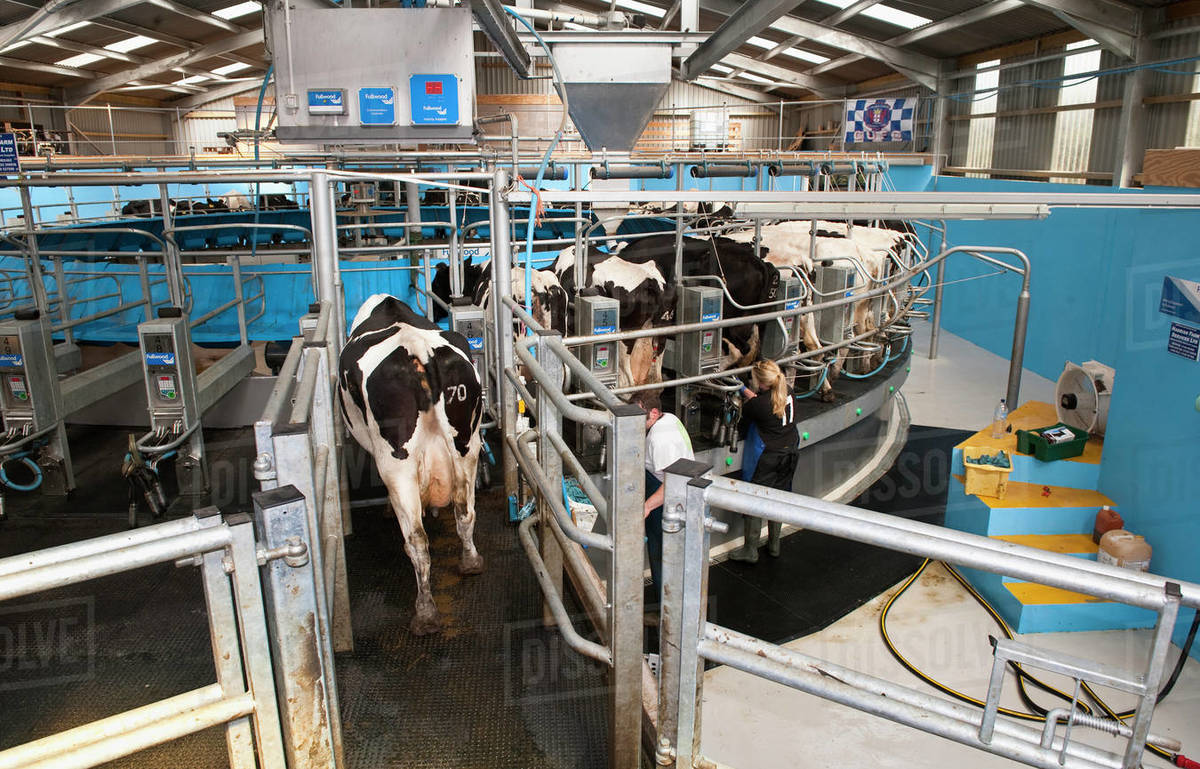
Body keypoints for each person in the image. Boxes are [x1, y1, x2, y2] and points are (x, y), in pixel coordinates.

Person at [730, 359, 800, 563]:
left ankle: (750, 550)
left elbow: (752, 409)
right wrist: (744, 389)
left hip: (768, 458)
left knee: (755, 500)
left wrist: (739, 389)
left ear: (761, 383)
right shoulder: (789, 391)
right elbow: (765, 403)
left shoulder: (758, 406)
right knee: (778, 497)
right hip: (790, 453)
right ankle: (774, 545)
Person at [633, 389, 694, 599]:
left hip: (668, 499)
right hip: (672, 491)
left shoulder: (660, 439)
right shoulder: (670, 418)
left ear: (654, 413)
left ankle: (666, 609)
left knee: (661, 554)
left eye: (639, 416)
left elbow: (673, 482)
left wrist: (647, 506)